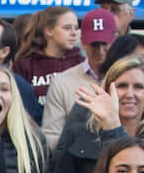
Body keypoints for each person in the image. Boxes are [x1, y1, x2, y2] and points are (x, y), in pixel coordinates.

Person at [53, 52, 144, 173]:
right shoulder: (78, 133)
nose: (130, 94)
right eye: (122, 86)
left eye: (138, 87)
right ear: (107, 91)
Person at [37, 8, 121, 146]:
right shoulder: (62, 82)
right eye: (94, 44)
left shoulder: (126, 80)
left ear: (115, 40)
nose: (99, 50)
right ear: (82, 42)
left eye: (104, 43)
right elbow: (51, 135)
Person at [10, 7, 84, 101]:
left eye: (76, 28)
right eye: (67, 28)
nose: (74, 33)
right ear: (49, 30)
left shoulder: (81, 62)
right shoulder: (25, 65)